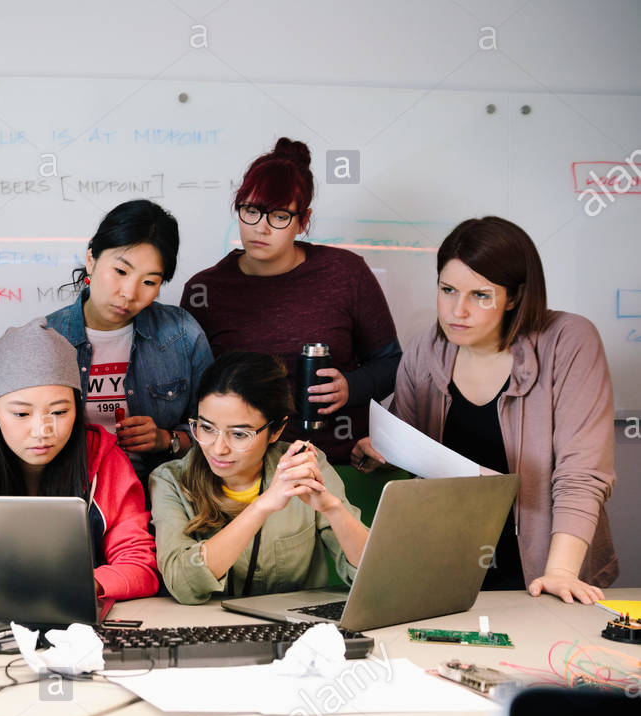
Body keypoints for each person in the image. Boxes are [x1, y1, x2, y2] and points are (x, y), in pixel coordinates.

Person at [352, 216, 617, 602]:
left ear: (513, 297)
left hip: (547, 560)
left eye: (480, 295)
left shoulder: (569, 340)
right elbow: (415, 446)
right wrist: (380, 452)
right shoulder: (426, 349)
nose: (457, 310)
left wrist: (560, 572)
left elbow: (582, 473)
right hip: (451, 561)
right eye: (447, 290)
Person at [179, 137, 401, 464]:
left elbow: (394, 364)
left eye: (279, 216)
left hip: (338, 461)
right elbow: (191, 395)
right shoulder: (205, 290)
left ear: (303, 220)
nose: (261, 228)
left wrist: (350, 387)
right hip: (243, 471)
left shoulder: (345, 273)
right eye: (251, 211)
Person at [0, 320, 159, 601]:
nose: (42, 431)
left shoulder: (103, 458)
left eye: (59, 413)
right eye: (21, 414)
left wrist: (77, 586)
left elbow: (140, 566)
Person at [150, 351, 369, 605]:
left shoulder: (306, 464)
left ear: (276, 430)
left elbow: (373, 578)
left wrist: (333, 508)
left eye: (239, 435)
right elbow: (182, 584)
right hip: (210, 633)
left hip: (297, 633)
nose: (218, 448)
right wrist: (262, 506)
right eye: (207, 428)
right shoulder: (170, 480)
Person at [46, 199, 213, 486]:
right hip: (73, 492)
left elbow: (218, 432)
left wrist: (166, 440)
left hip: (161, 496)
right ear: (91, 260)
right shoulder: (48, 337)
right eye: (121, 272)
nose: (129, 293)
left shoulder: (182, 335)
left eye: (149, 282)